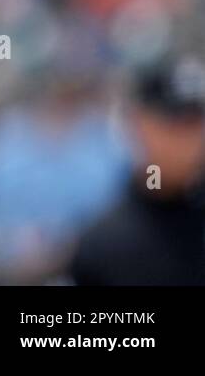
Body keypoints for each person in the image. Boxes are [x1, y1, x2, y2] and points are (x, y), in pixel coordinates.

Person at [68, 55, 205, 286]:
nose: (187, 140)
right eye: (173, 123)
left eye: (195, 122)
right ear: (137, 123)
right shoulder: (104, 242)